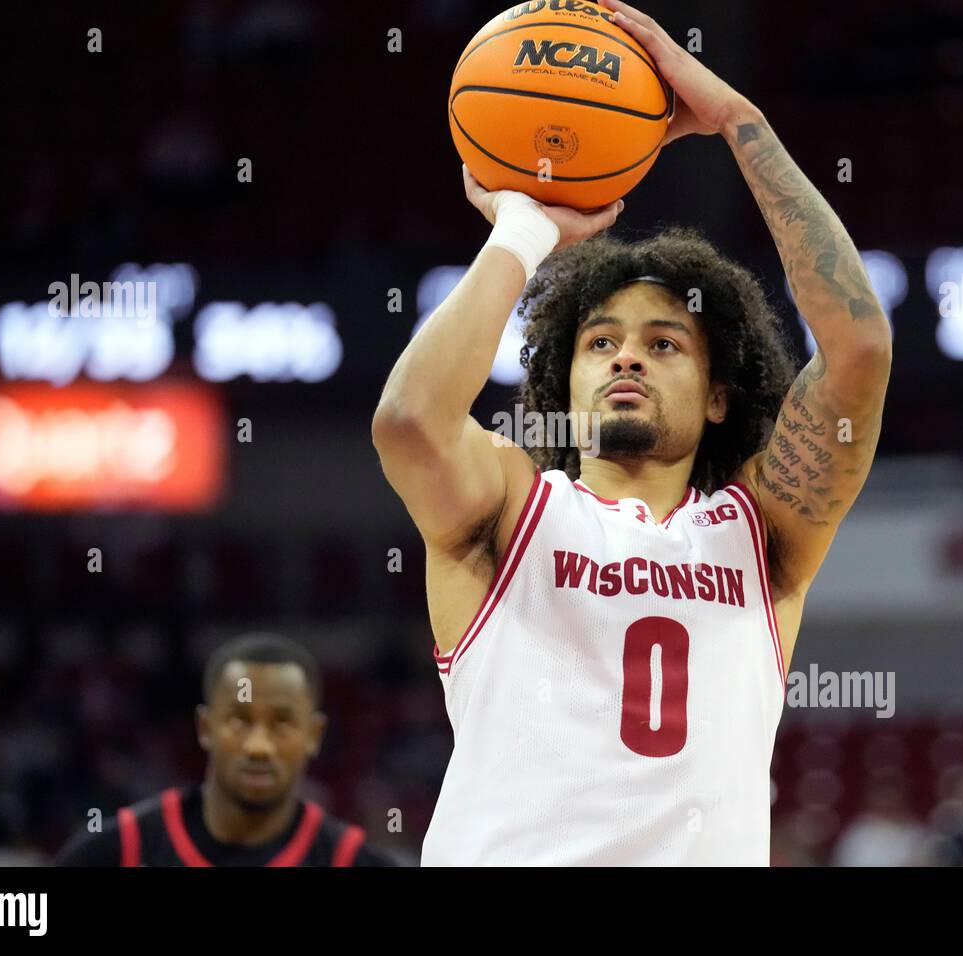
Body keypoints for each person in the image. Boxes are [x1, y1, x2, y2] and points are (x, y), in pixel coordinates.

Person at [372, 0, 891, 864]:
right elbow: (408, 423)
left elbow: (860, 345)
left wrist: (740, 124)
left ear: (720, 395)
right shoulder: (510, 507)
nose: (627, 361)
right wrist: (526, 231)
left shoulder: (759, 537)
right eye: (600, 343)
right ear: (560, 382)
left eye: (664, 344)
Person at [55, 633, 398, 866]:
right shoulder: (118, 852)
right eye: (240, 721)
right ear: (205, 727)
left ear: (314, 734)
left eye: (281, 723)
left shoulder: (350, 860)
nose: (258, 747)